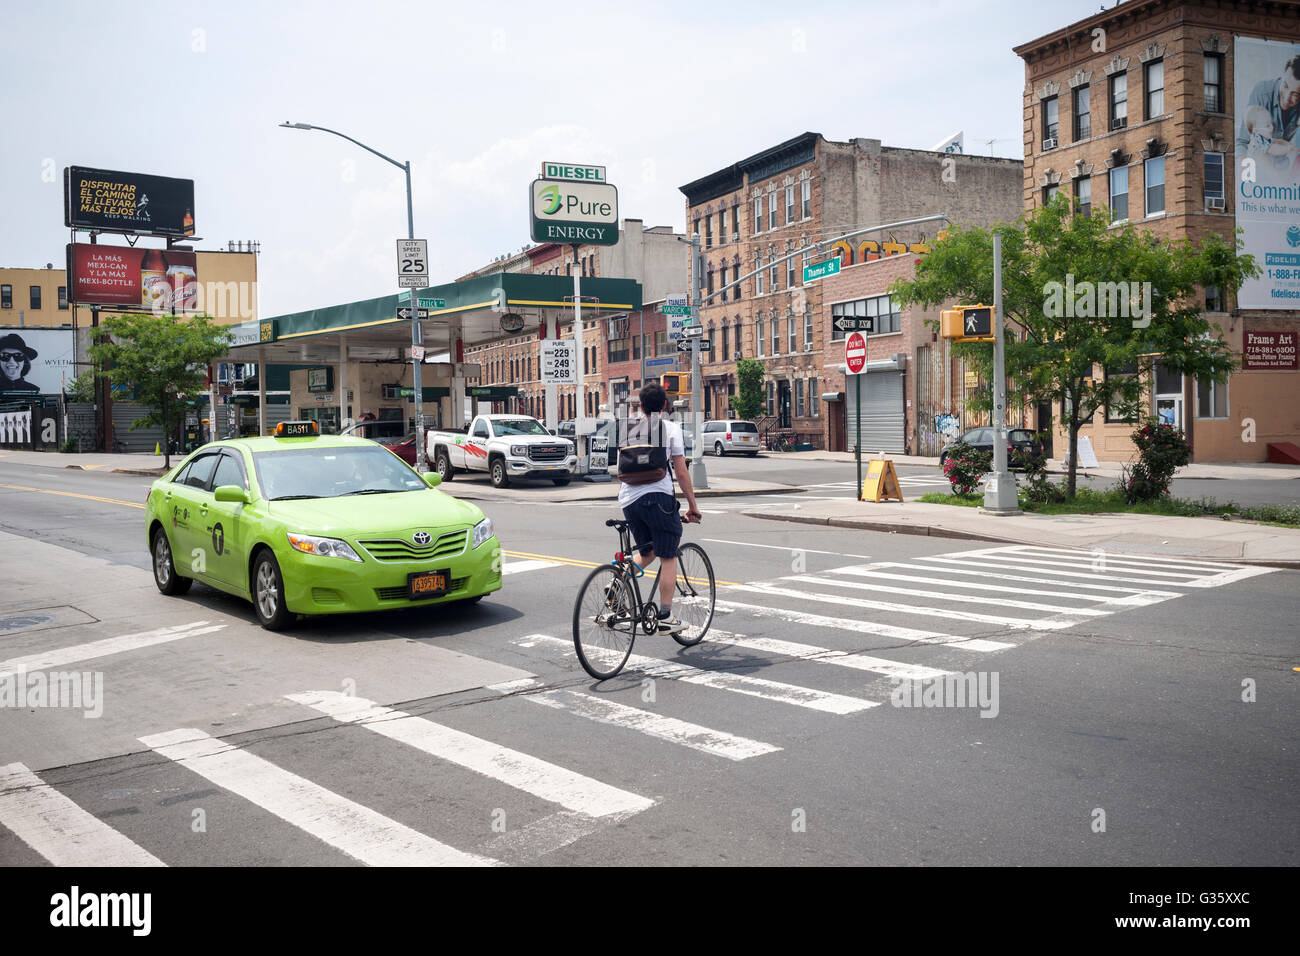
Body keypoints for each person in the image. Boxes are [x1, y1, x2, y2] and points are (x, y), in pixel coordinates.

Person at [616, 382, 701, 635]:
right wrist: (692, 506)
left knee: (648, 550)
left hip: (628, 500)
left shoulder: (628, 428)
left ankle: (617, 583)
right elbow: (681, 472)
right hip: (658, 498)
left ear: (640, 406)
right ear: (665, 405)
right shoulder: (671, 428)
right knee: (668, 555)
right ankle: (665, 615)